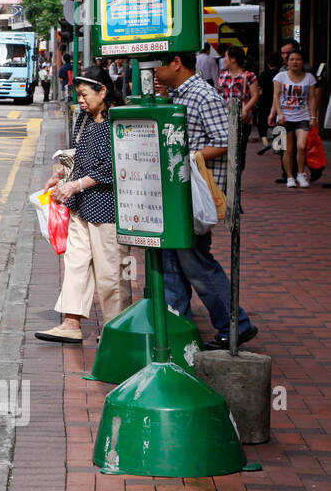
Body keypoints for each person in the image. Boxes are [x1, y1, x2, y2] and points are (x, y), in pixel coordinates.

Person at [153, 52, 258, 350]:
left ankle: (235, 323)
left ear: (176, 63)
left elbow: (225, 141)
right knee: (172, 260)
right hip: (179, 193)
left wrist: (186, 158)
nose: (156, 71)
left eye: (159, 64)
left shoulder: (202, 94)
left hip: (195, 194)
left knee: (195, 262)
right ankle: (179, 327)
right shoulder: (179, 95)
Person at [34, 65, 130, 344]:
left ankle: (117, 330)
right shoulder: (84, 118)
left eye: (85, 94)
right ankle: (70, 322)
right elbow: (80, 153)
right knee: (75, 264)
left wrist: (75, 185)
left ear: (103, 91)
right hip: (80, 205)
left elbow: (113, 166)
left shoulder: (118, 121)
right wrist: (61, 174)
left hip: (107, 208)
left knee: (111, 272)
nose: (81, 101)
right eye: (78, 95)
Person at [270, 46, 318, 188]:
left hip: (302, 116)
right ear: (287, 62)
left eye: (297, 59)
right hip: (285, 117)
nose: (295, 62)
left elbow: (312, 98)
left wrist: (313, 116)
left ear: (302, 61)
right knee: (287, 149)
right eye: (291, 59)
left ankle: (301, 174)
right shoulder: (280, 77)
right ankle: (290, 177)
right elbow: (276, 96)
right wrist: (278, 113)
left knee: (302, 146)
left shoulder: (309, 78)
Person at [216, 44, 258, 172]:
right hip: (225, 118)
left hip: (242, 119)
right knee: (227, 146)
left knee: (240, 149)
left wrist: (245, 109)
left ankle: (237, 179)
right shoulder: (223, 75)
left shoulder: (249, 76)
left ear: (233, 59)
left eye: (226, 57)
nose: (224, 59)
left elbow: (255, 96)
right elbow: (218, 94)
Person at [255, 50, 282, 156]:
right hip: (277, 100)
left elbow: (259, 88)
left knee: (262, 122)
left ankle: (265, 142)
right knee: (277, 121)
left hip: (265, 101)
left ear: (268, 63)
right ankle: (278, 146)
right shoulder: (280, 74)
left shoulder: (264, 74)